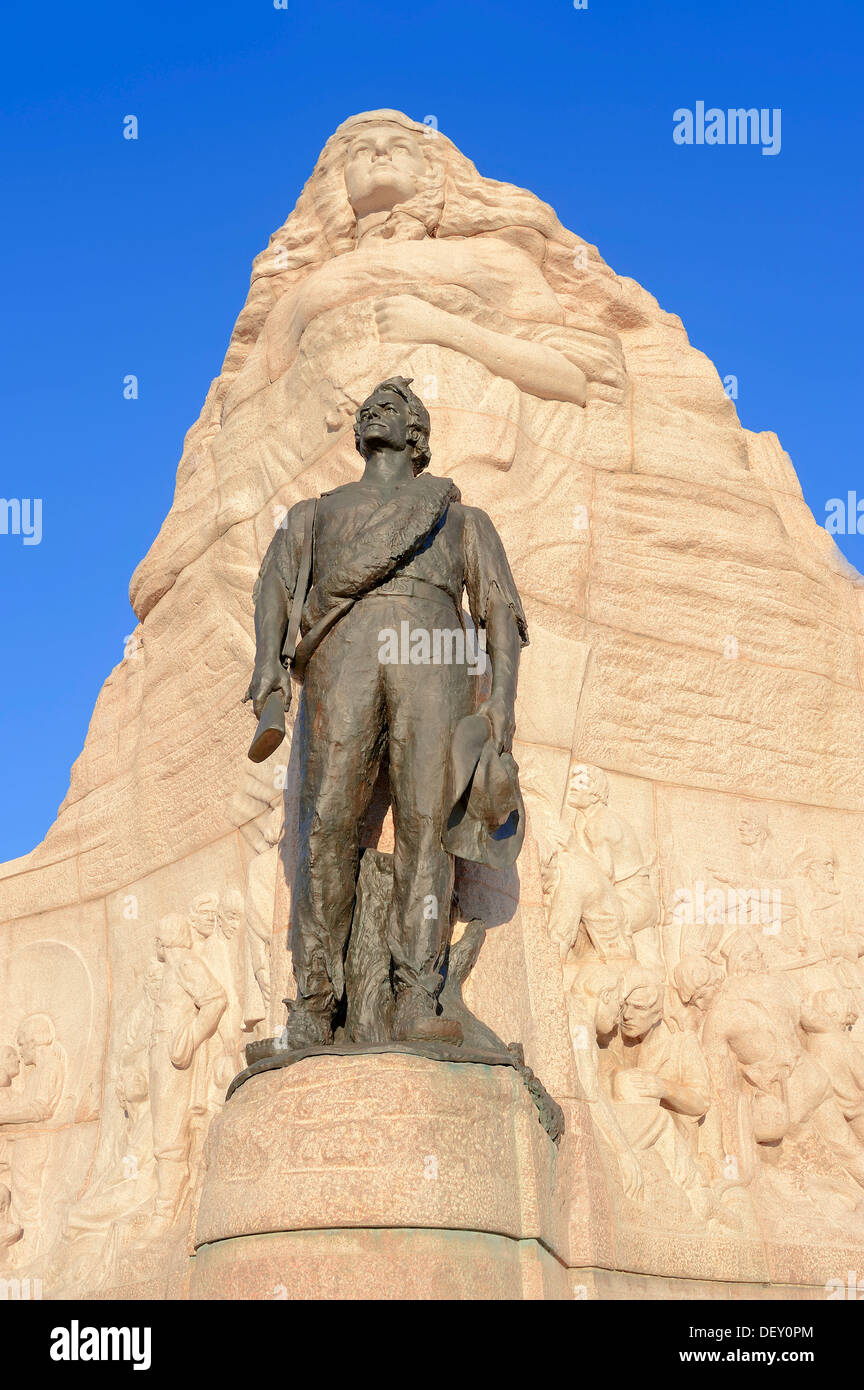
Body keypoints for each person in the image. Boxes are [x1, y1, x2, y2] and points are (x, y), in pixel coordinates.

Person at [247, 376, 527, 1046]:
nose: (375, 409)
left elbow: (500, 618)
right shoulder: (312, 514)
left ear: (417, 435)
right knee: (328, 821)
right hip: (344, 652)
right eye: (369, 406)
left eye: (394, 405)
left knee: (427, 828)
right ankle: (315, 1002)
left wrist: (502, 713)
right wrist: (269, 679)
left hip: (433, 650)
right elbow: (273, 590)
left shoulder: (460, 518)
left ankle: (415, 996)